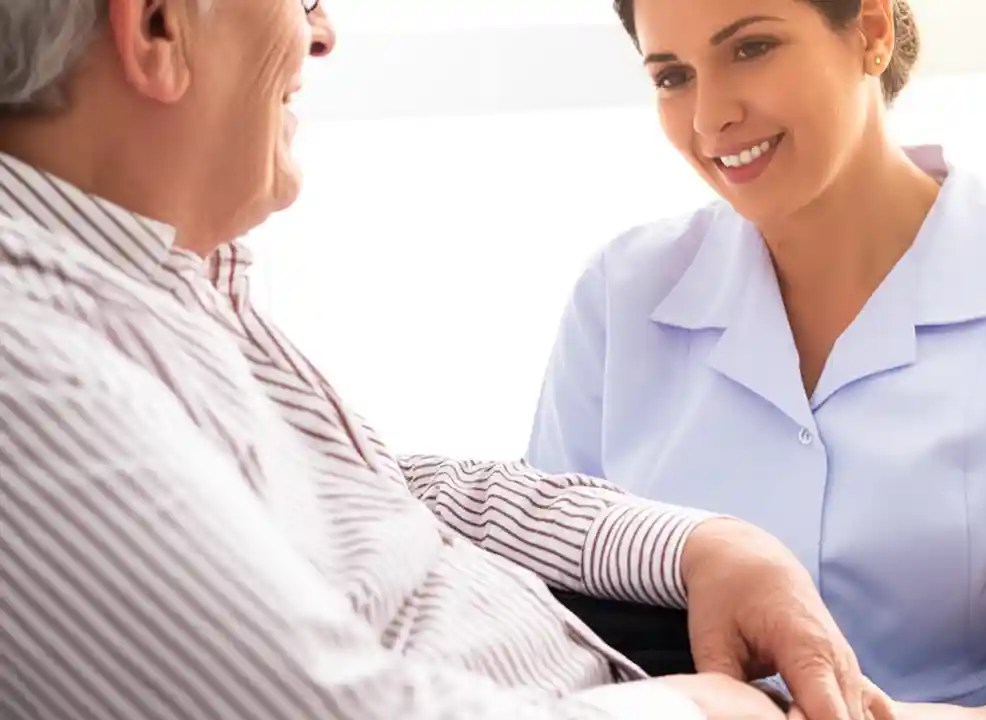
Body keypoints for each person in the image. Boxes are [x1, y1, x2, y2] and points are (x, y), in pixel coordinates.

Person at [0, 1, 890, 718]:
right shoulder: (32, 370)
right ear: (156, 27)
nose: (323, 32)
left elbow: (376, 489)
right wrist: (698, 712)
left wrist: (696, 544)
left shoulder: (152, 284)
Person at [527, 0, 986, 717]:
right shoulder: (619, 296)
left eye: (751, 49)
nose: (709, 117)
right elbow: (546, 625)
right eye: (672, 76)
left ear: (871, 30)